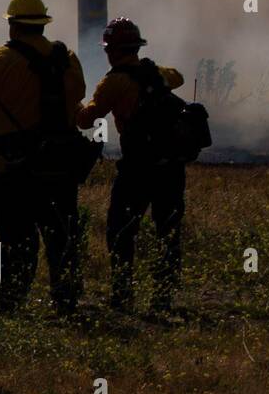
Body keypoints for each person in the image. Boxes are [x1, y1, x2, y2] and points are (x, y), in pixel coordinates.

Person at [0, 0, 86, 314]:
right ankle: (66, 301)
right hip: (59, 167)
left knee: (17, 239)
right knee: (61, 237)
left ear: (13, 26)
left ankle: (11, 302)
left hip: (13, 168)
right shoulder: (67, 60)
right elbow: (79, 94)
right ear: (43, 25)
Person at [76, 17, 186, 313]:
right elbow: (179, 77)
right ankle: (162, 298)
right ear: (136, 47)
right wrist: (151, 69)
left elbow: (86, 119)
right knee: (168, 232)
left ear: (111, 51)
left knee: (121, 230)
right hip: (171, 167)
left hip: (138, 168)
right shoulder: (159, 75)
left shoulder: (114, 82)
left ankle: (123, 294)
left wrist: (71, 100)